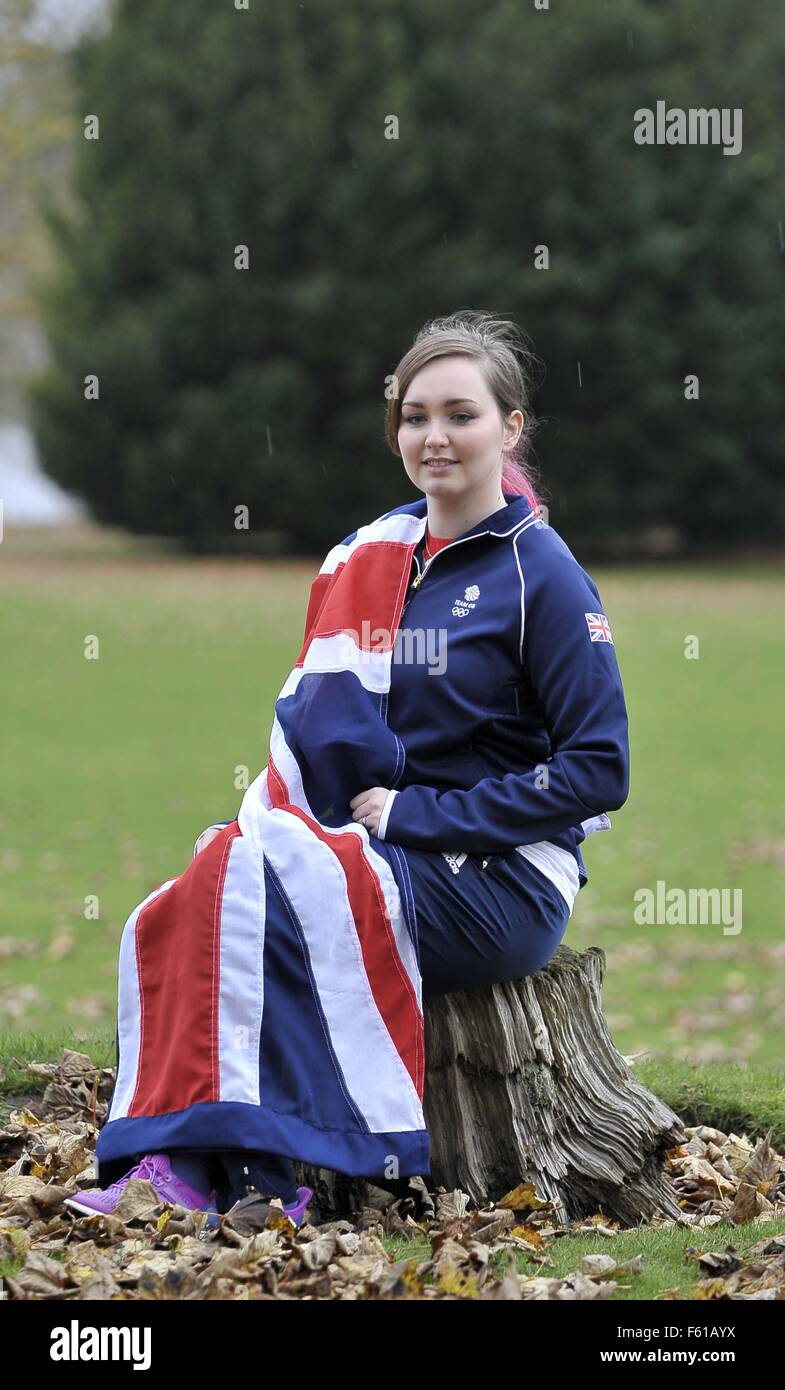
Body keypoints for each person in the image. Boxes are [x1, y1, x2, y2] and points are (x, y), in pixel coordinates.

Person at [68, 310, 629, 1224]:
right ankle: (181, 1162)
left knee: (264, 880)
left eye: (461, 415)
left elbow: (598, 771)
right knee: (218, 875)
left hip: (499, 879)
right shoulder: (373, 558)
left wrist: (415, 817)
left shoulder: (545, 575)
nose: (434, 437)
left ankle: (258, 1175)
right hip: (371, 844)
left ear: (510, 428)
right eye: (415, 416)